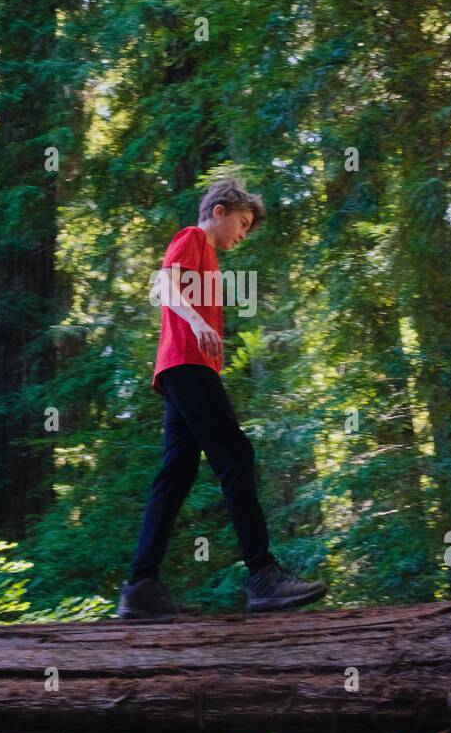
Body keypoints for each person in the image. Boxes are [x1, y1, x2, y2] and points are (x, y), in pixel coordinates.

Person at [118, 177, 328, 621]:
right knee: (235, 455)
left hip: (183, 369)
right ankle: (263, 576)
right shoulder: (193, 237)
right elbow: (163, 286)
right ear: (219, 211)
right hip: (186, 365)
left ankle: (140, 586)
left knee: (176, 473)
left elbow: (165, 290)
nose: (243, 233)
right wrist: (196, 323)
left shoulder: (208, 256)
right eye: (243, 222)